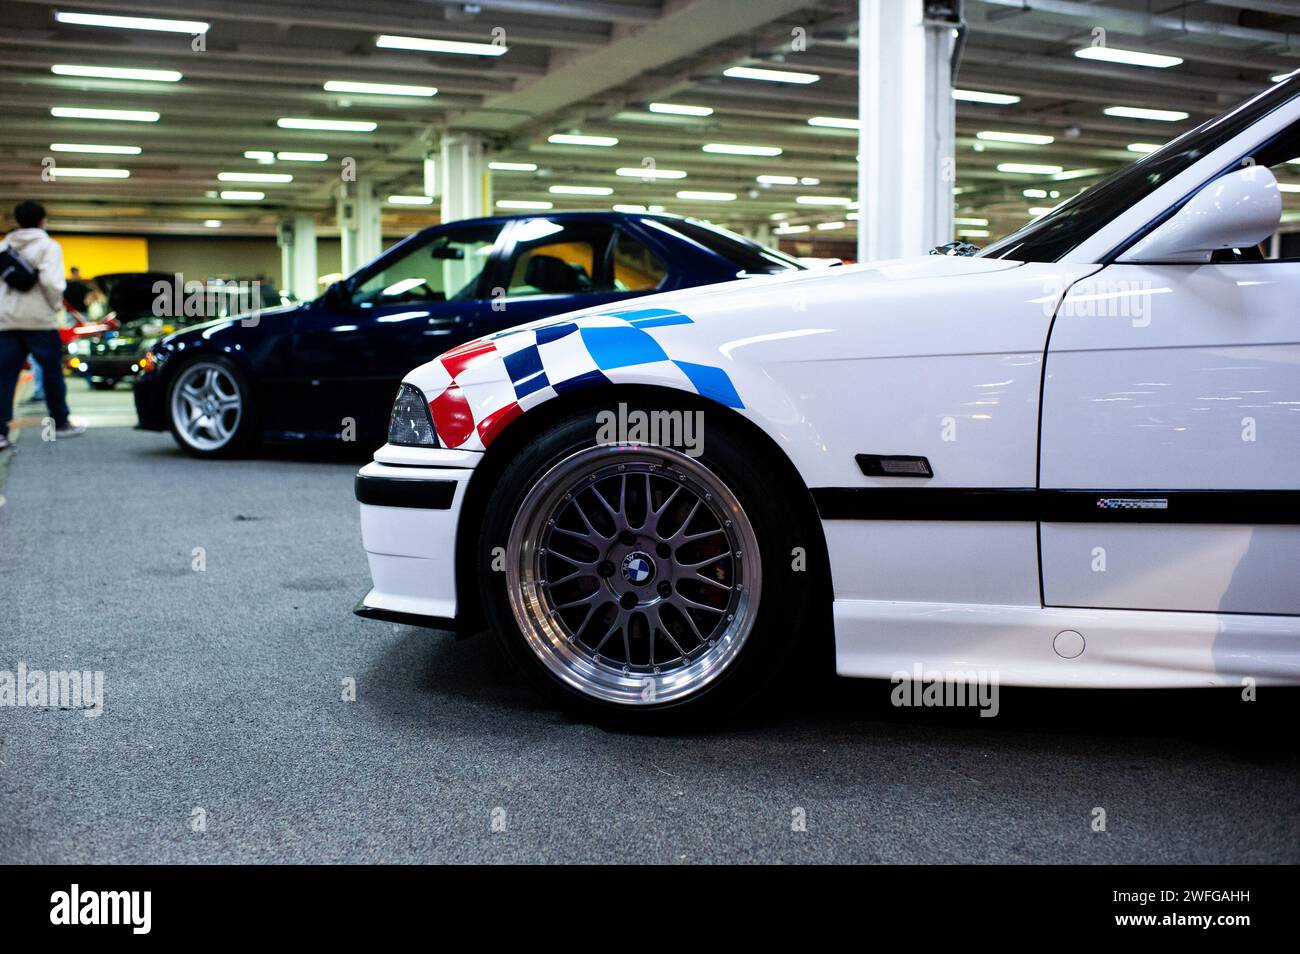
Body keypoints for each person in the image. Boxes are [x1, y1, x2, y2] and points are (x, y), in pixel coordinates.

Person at [0, 201, 84, 451]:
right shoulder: (48, 247)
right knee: (51, 372)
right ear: (42, 220)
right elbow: (52, 283)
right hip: (40, 321)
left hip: (7, 322)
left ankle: (0, 432)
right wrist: (55, 306)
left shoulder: (3, 248)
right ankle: (60, 422)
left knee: (4, 377)